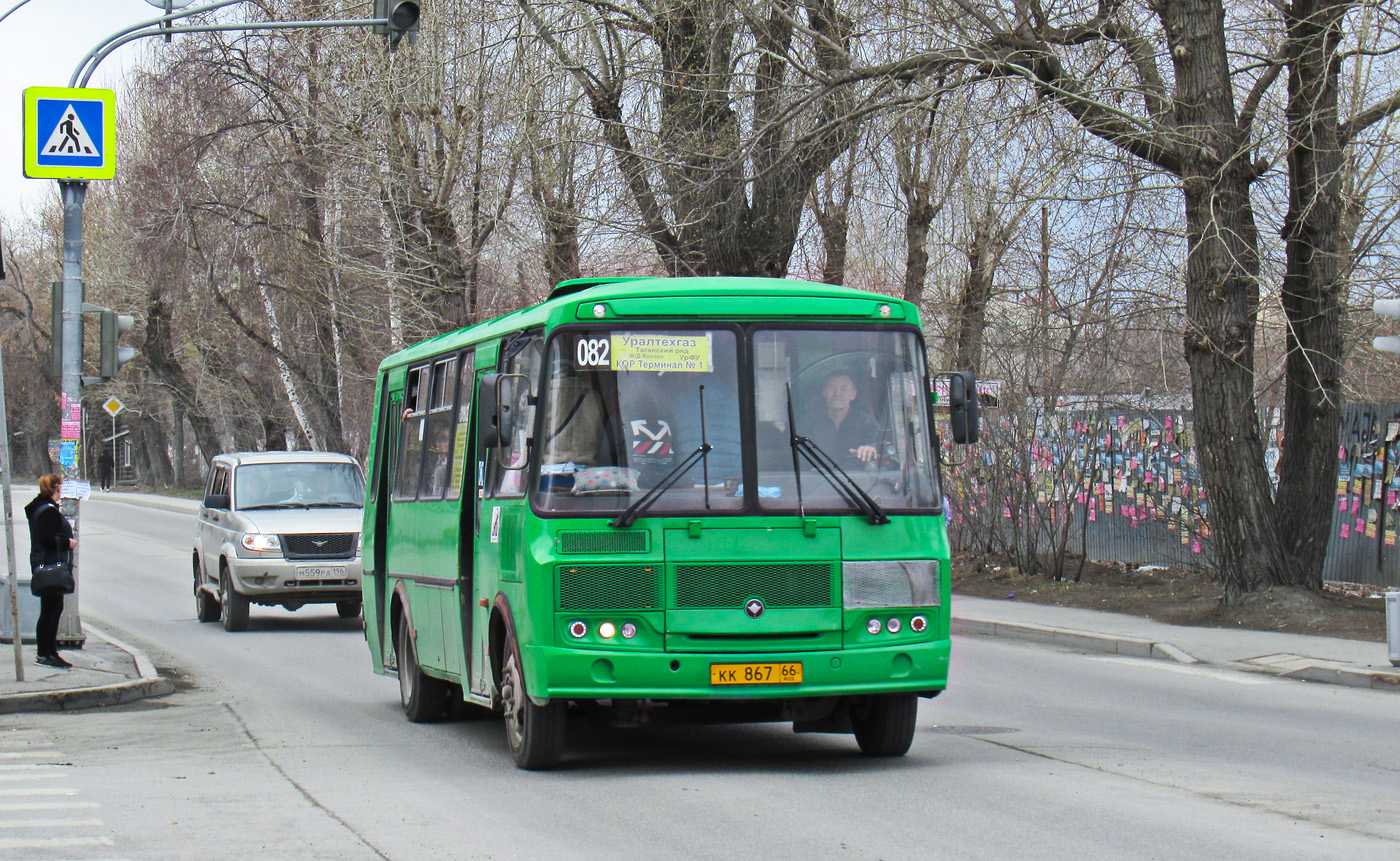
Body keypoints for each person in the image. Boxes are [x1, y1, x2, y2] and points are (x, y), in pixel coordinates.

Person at [25, 474, 76, 669]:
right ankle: (45, 653)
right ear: (55, 488)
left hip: (45, 563)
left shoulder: (42, 508)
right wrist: (67, 542)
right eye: (61, 487)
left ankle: (50, 651)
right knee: (51, 609)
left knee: (53, 607)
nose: (62, 490)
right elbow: (46, 537)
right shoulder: (47, 511)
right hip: (50, 564)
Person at [803, 371, 882, 466]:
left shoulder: (867, 423)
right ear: (824, 392)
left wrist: (870, 449)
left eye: (843, 389)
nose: (837, 394)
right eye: (832, 388)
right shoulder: (809, 424)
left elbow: (879, 446)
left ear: (853, 394)